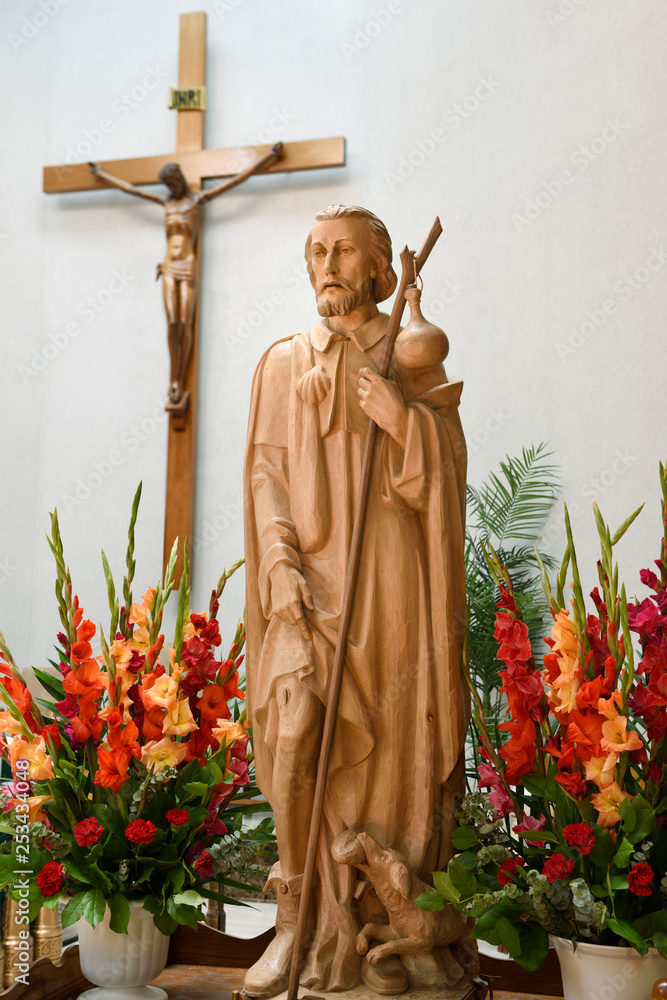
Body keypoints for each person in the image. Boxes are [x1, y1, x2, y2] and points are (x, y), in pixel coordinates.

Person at [243, 205, 470, 996]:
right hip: (307, 584)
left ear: (381, 268)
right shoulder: (280, 364)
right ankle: (297, 922)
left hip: (391, 587)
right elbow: (265, 474)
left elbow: (446, 465)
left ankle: (393, 925)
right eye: (315, 252)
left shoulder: (406, 350)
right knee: (297, 731)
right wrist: (279, 567)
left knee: (395, 751)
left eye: (344, 251)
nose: (327, 264)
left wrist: (401, 421)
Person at [89, 144, 283, 408]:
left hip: (188, 264)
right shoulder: (165, 202)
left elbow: (237, 179)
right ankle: (174, 378)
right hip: (168, 264)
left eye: (172, 183)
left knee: (185, 320)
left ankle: (180, 375)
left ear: (178, 180)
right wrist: (101, 174)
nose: (170, 189)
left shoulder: (197, 201)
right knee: (172, 321)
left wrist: (268, 157)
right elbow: (130, 189)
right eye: (167, 185)